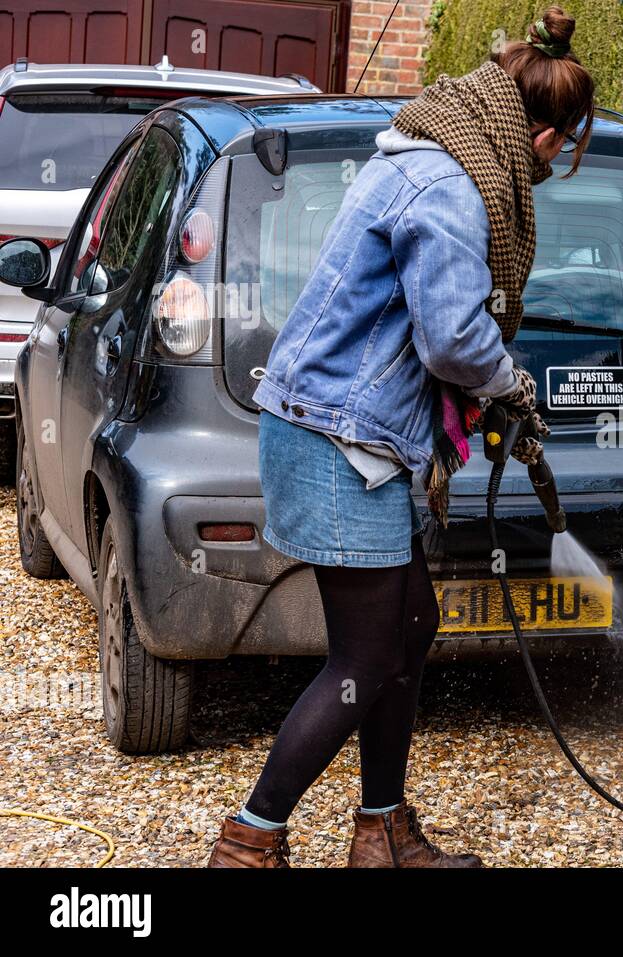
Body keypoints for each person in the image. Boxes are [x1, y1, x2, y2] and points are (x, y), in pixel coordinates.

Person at [206, 7, 595, 868]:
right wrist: (511, 386)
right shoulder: (452, 187)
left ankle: (380, 830)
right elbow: (453, 338)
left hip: (353, 435)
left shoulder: (425, 155)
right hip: (338, 440)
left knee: (410, 624)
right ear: (535, 134)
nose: (550, 171)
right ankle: (250, 837)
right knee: (369, 653)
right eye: (557, 152)